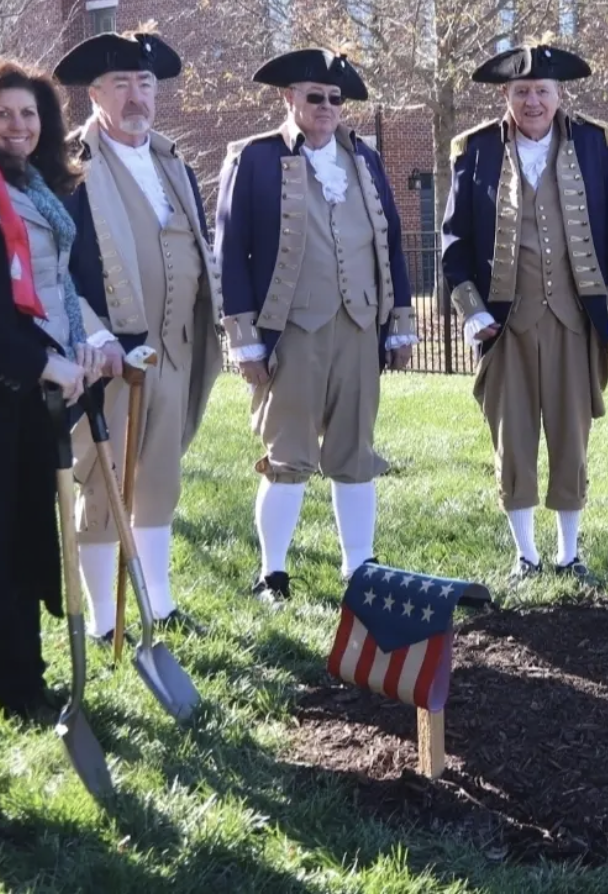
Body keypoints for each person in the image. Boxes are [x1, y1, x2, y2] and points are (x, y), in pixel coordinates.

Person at [216, 48, 415, 605]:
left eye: (334, 99)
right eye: (313, 96)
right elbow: (230, 254)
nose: (326, 107)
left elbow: (390, 242)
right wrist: (245, 340)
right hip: (292, 329)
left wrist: (398, 322)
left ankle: (360, 569)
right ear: (289, 98)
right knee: (288, 457)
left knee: (356, 453)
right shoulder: (253, 158)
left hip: (358, 325)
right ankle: (273, 573)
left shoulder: (365, 159)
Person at [54, 31, 222, 640]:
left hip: (174, 349)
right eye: (121, 84)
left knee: (158, 479)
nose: (136, 96)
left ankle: (160, 604)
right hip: (108, 357)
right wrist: (98, 339)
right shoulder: (70, 166)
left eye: (145, 84)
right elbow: (60, 272)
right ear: (95, 93)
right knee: (103, 487)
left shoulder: (172, 161)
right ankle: (105, 622)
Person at [440, 44, 608, 580]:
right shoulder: (473, 151)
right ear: (506, 95)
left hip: (574, 318)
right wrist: (472, 312)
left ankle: (569, 555)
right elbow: (454, 243)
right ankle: (526, 554)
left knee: (572, 437)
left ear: (559, 94)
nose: (532, 101)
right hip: (505, 323)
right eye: (521, 91)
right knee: (513, 440)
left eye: (542, 91)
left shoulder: (597, 145)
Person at [0, 60, 93, 721]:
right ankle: (19, 689)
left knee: (30, 533)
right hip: (12, 381)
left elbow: (54, 285)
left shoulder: (35, 191)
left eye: (28, 113)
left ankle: (24, 679)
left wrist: (86, 344)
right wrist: (38, 363)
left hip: (33, 390)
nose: (18, 126)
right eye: (3, 114)